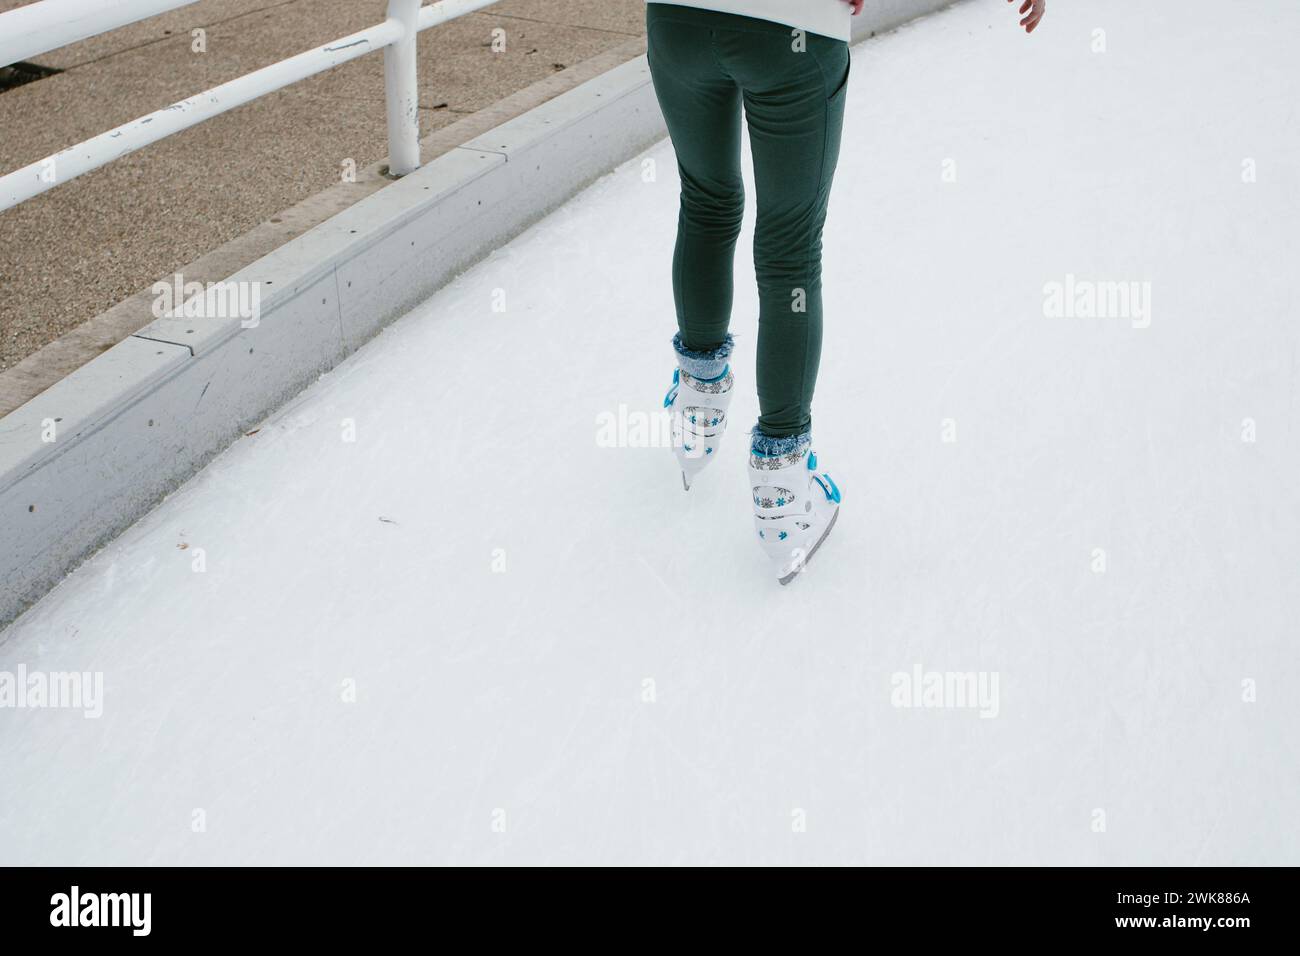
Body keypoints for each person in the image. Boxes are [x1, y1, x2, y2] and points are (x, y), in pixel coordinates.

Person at [650, 0, 1045, 584]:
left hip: (679, 19)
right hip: (793, 28)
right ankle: (781, 491)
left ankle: (697, 409)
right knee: (788, 250)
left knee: (707, 202)